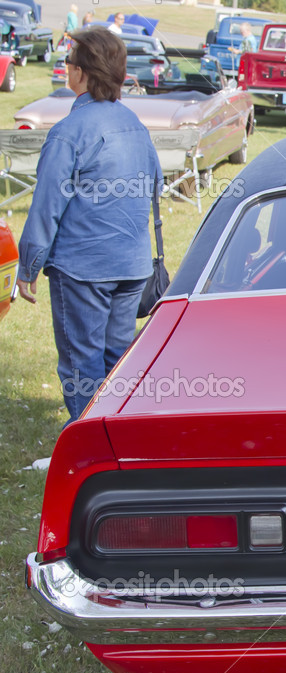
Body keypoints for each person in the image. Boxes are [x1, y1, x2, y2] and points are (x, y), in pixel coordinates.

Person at [13, 27, 161, 423]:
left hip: (83, 268)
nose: (66, 68)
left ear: (80, 73)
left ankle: (93, 458)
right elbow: (154, 187)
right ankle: (122, 446)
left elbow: (47, 206)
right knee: (118, 364)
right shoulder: (135, 124)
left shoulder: (69, 131)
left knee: (83, 369)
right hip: (131, 265)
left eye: (68, 62)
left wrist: (27, 266)